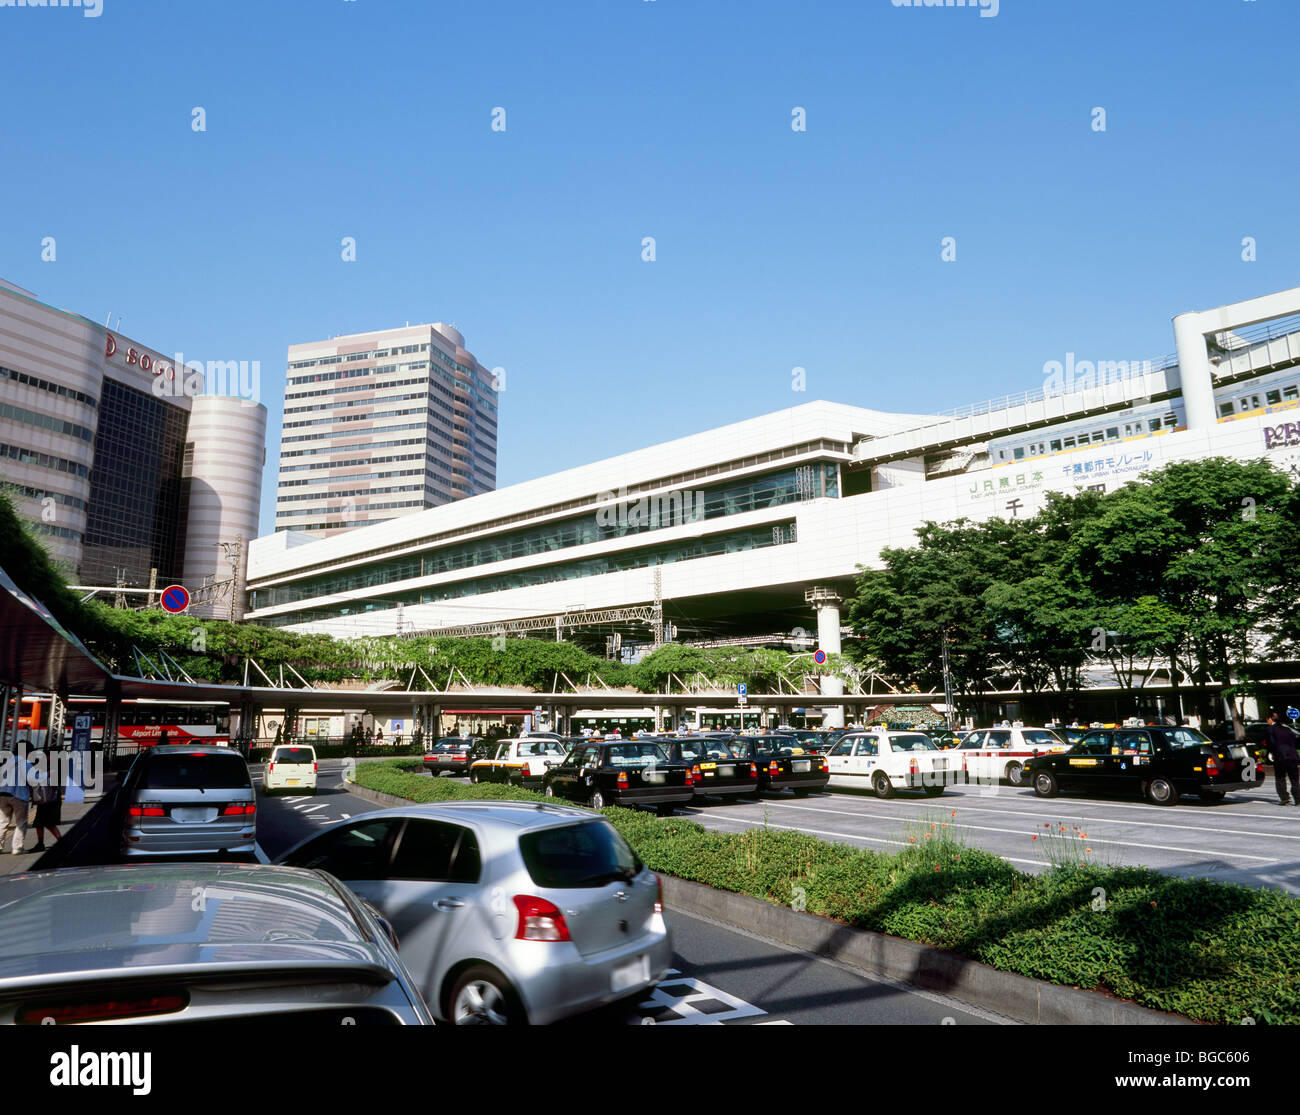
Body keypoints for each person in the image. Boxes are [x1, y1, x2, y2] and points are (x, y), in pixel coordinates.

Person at [0, 747, 33, 854]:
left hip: (3, 794)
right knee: (20, 822)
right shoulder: (25, 763)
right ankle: (17, 848)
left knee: (2, 822)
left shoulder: (5, 762)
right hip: (19, 795)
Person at [29, 747, 62, 852]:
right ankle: (41, 843)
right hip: (47, 798)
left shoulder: (55, 766)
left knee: (46, 823)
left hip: (50, 798)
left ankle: (60, 842)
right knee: (40, 822)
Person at [1266, 710, 1300, 806]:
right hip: (1292, 755)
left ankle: (1284, 797)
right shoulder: (1287, 729)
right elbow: (1295, 741)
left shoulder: (1270, 729)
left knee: (1280, 777)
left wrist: (1270, 752)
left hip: (1280, 756)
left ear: (1270, 719)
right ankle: (1298, 799)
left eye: (1267, 719)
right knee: (1294, 779)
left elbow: (1271, 743)